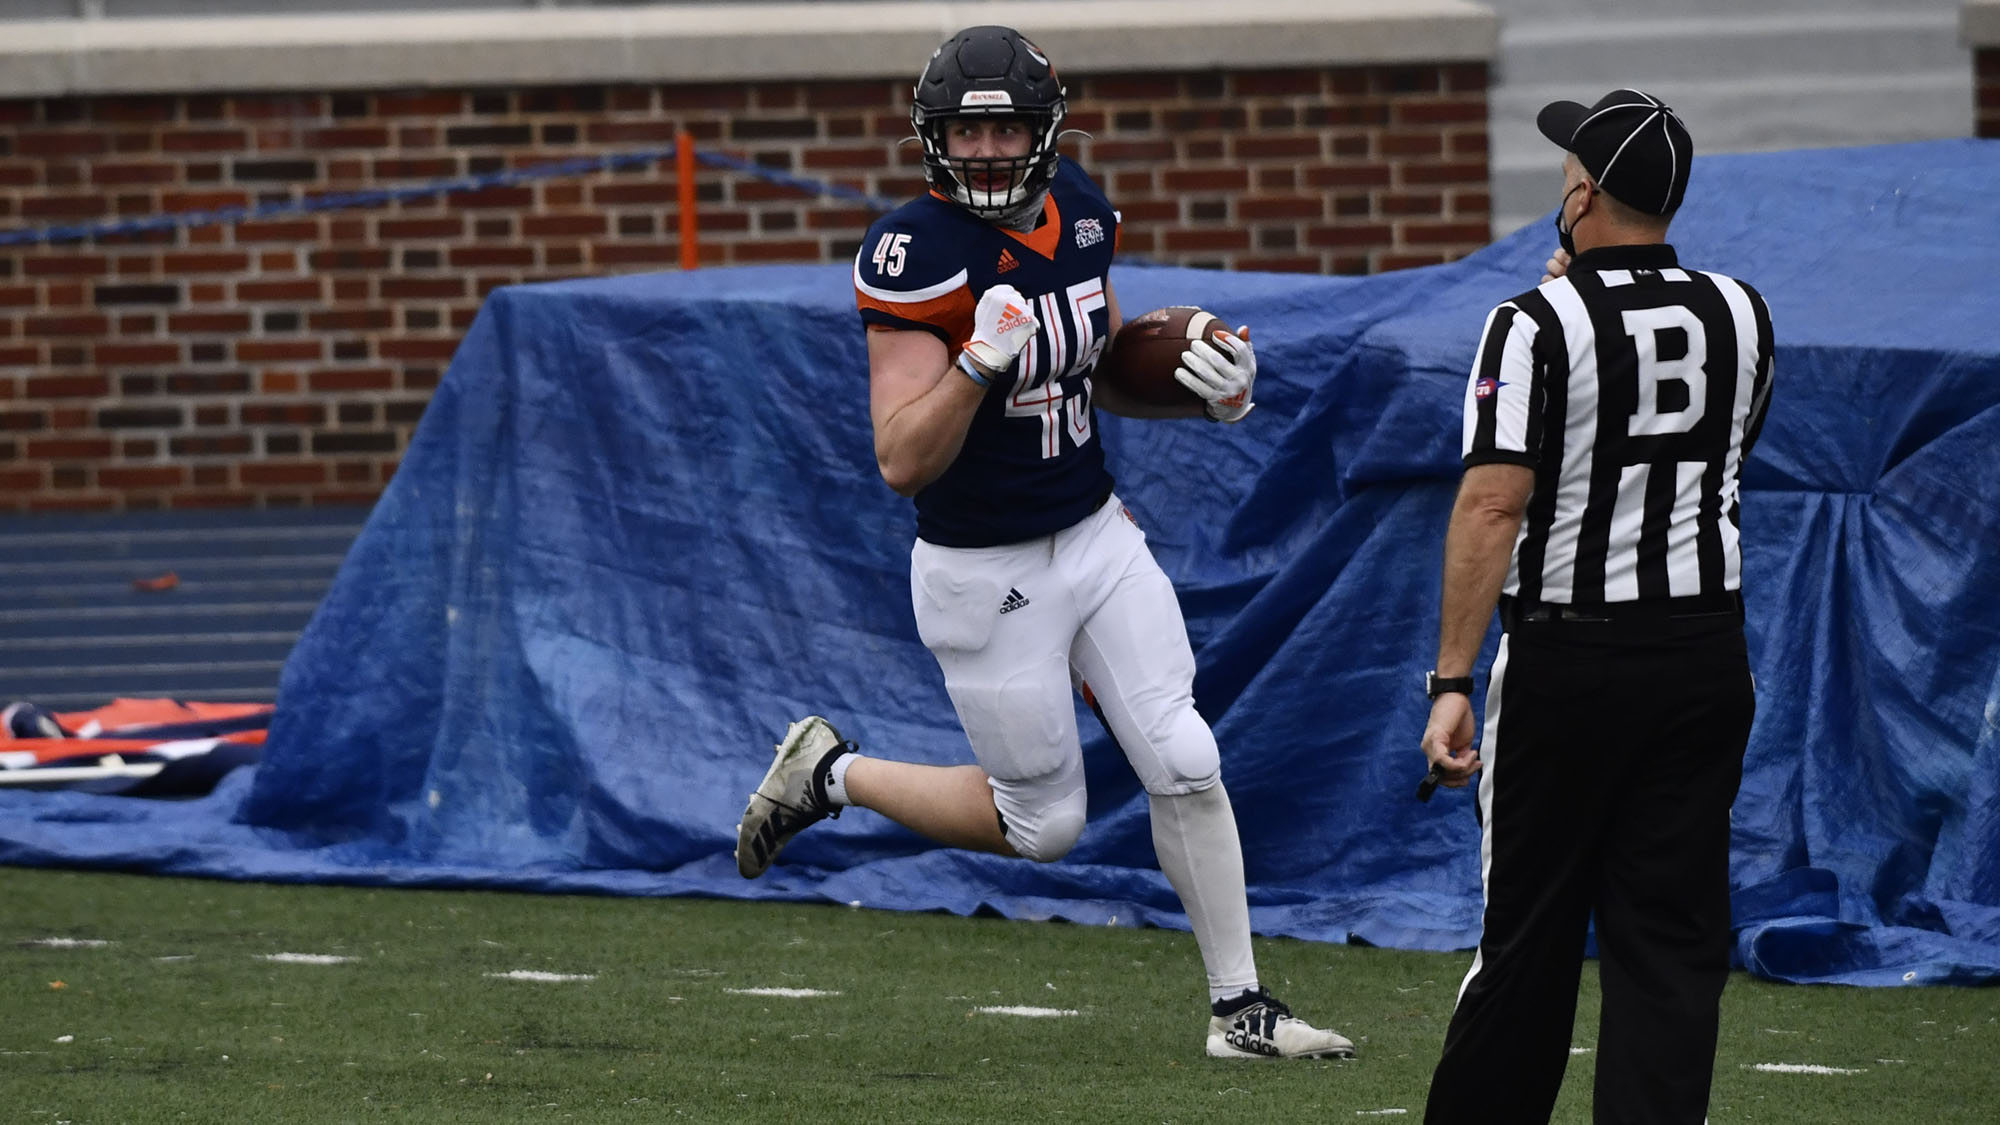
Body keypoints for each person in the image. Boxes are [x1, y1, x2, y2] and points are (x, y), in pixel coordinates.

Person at [733, 24, 1353, 1062]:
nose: (981, 153)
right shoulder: (911, 254)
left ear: (1043, 128)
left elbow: (1097, 367)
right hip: (985, 570)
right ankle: (832, 772)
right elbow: (900, 459)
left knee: (1184, 757)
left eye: (1003, 129)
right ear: (931, 139)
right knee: (1044, 826)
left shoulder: (1083, 216)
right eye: (962, 135)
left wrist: (1207, 394)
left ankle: (1238, 1010)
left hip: (1094, 534)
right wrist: (974, 366)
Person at [1416, 89, 1774, 1123]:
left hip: (1571, 658)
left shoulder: (1530, 323)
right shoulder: (1741, 311)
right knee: (1667, 942)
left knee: (1524, 938)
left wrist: (1449, 678)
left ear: (1584, 191)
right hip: (1703, 650)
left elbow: (1492, 504)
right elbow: (1720, 459)